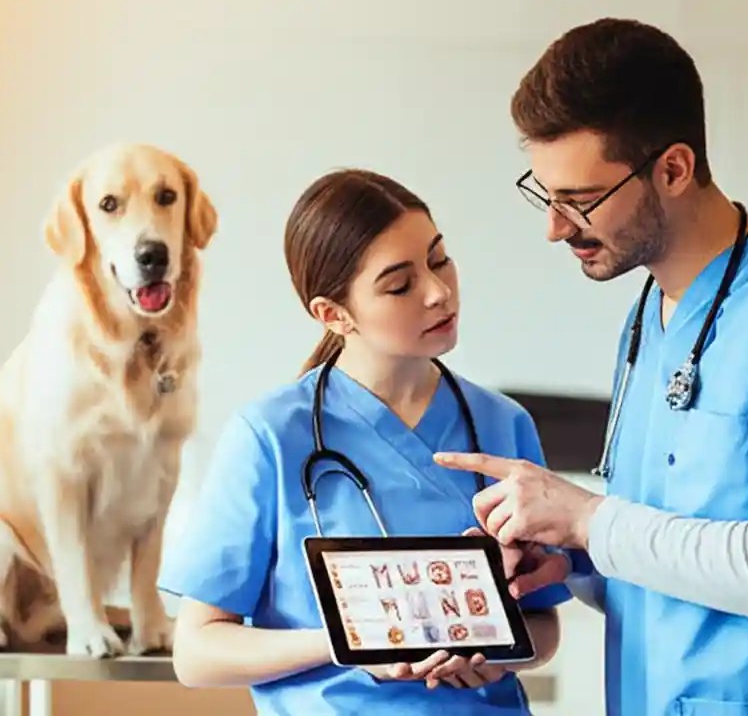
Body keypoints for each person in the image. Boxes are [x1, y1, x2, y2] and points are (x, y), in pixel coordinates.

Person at [433, 17, 748, 716]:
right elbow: (669, 543)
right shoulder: (649, 317)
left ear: (674, 169)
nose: (555, 227)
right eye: (545, 195)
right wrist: (571, 563)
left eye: (580, 199)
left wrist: (590, 521)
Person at [158, 168, 571, 714]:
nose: (438, 291)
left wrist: (500, 656)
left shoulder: (502, 424)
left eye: (439, 258)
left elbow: (542, 623)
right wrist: (348, 643)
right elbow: (197, 651)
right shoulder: (270, 437)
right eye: (400, 284)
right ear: (334, 315)